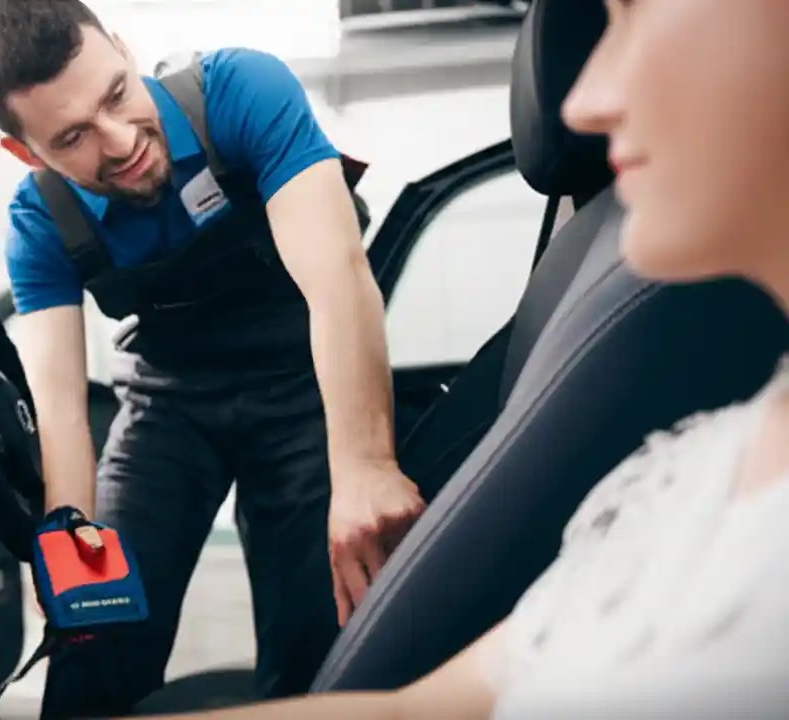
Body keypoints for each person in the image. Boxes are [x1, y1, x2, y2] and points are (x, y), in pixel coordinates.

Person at [125, 0, 789, 717]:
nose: (584, 102)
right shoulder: (700, 463)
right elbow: (415, 709)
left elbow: (337, 276)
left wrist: (363, 464)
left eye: (635, 16)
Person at [0, 1, 424, 716]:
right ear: (27, 153)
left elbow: (337, 279)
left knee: (324, 631)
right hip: (167, 407)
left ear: (124, 49)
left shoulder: (240, 92)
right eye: (74, 136)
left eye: (117, 93)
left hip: (301, 385)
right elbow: (61, 414)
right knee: (96, 625)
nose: (120, 141)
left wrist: (365, 466)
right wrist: (68, 543)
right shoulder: (39, 223)